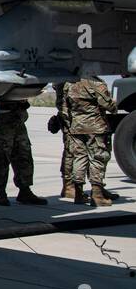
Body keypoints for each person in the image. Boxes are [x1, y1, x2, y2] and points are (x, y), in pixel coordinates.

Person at [61, 71, 116, 206]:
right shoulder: (96, 82)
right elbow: (108, 105)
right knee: (98, 158)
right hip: (95, 128)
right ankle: (97, 195)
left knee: (79, 158)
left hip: (76, 128)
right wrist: (114, 105)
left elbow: (64, 108)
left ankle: (79, 194)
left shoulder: (69, 83)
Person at [0, 97, 47, 206]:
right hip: (0, 121)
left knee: (23, 156)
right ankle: (1, 192)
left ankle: (24, 191)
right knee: (0, 158)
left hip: (17, 119)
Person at [51, 81, 75, 198]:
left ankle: (97, 187)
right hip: (70, 117)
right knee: (70, 151)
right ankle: (68, 186)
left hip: (79, 116)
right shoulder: (64, 81)